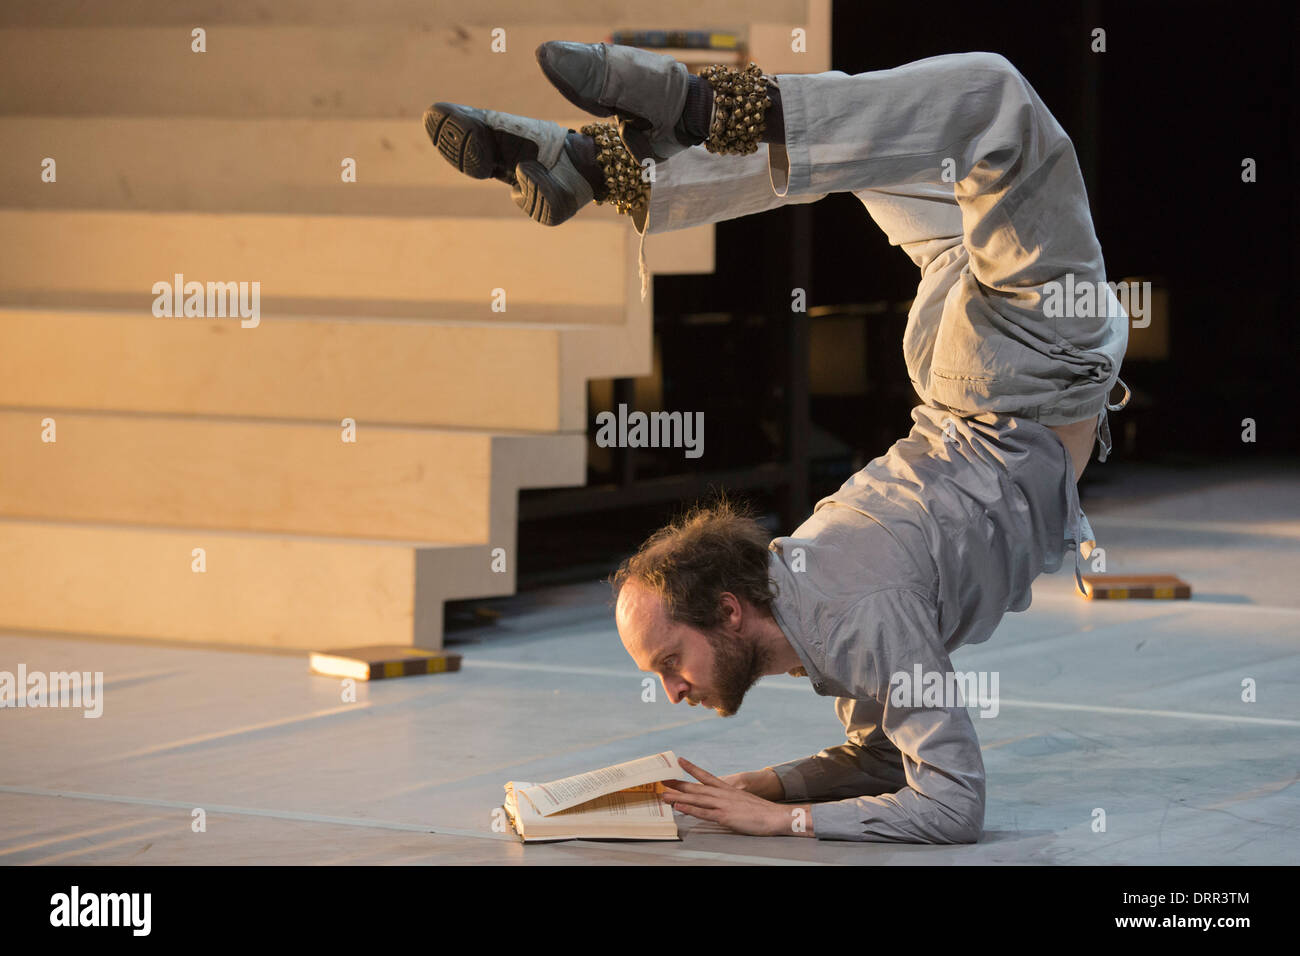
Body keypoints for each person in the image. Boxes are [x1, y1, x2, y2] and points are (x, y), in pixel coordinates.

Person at [428, 43, 1130, 843]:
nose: (672, 691)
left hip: (1025, 373)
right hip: (977, 371)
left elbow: (951, 807)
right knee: (862, 143)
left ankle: (676, 125)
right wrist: (754, 787)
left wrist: (784, 819)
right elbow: (880, 758)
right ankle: (603, 166)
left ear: (729, 611)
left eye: (668, 662)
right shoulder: (814, 606)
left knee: (995, 102)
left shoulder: (851, 614)